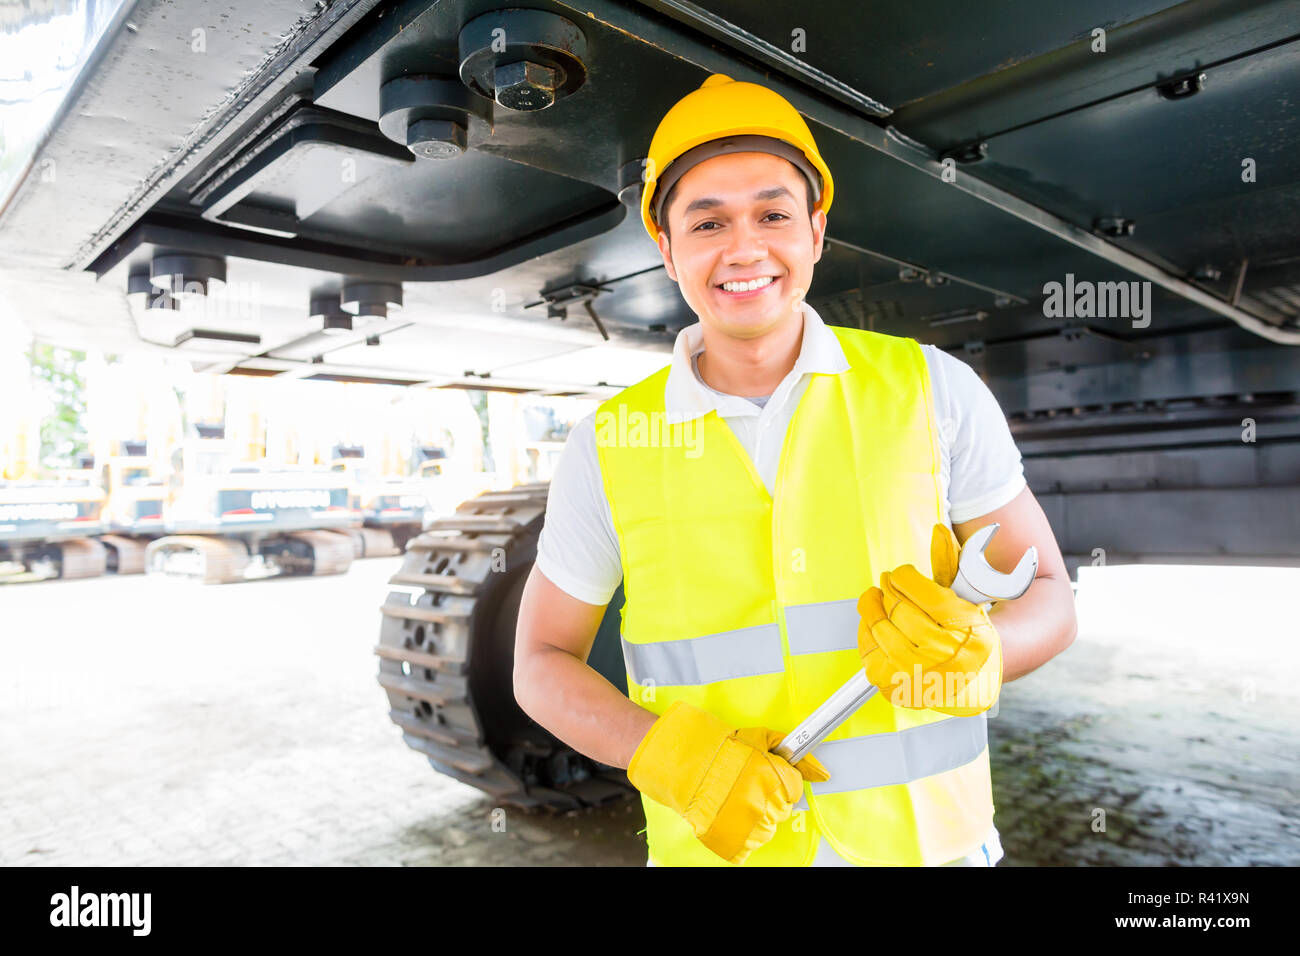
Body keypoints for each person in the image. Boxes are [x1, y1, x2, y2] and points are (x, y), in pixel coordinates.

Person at [513, 74, 1077, 866]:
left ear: (816, 231)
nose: (745, 249)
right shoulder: (611, 441)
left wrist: (985, 652)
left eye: (773, 214)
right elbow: (540, 665)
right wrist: (665, 755)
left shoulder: (933, 389)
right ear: (667, 250)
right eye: (707, 222)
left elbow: (1050, 598)